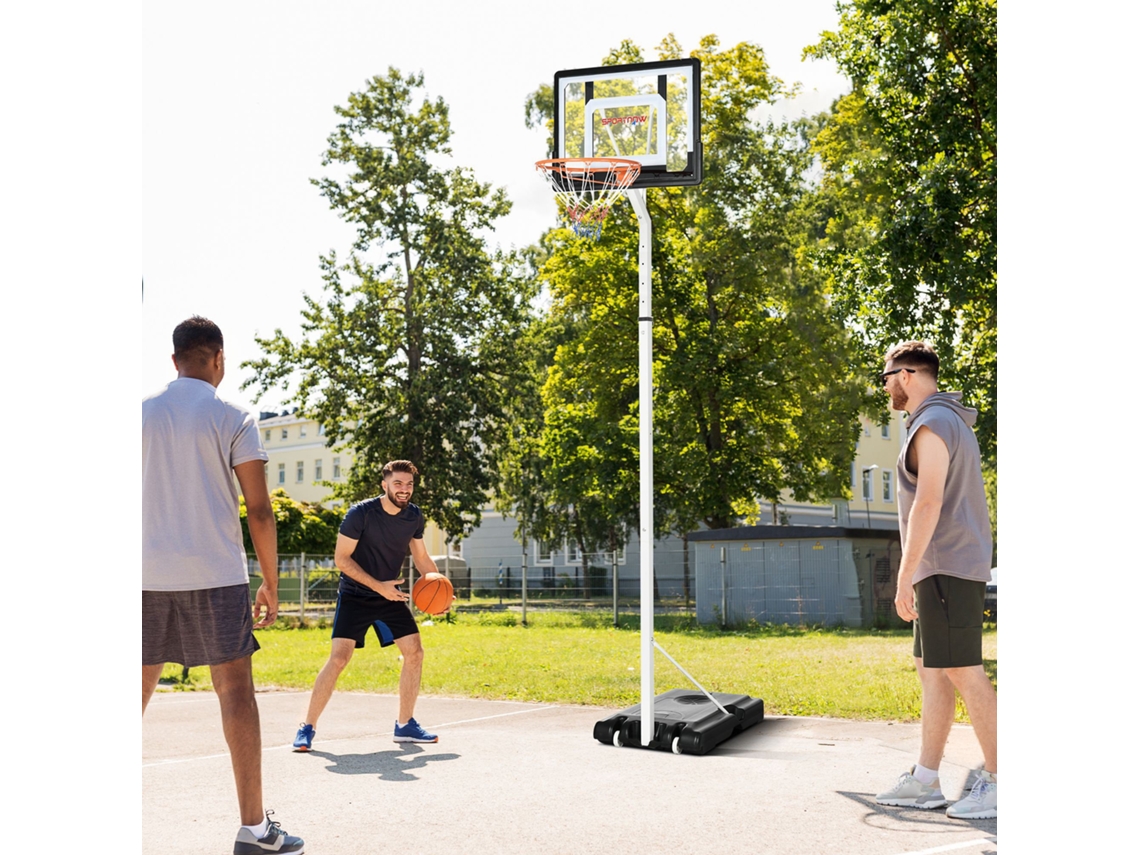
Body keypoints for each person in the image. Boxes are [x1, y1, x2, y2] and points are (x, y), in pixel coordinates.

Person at [143, 316, 304, 855]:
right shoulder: (235, 416)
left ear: (174, 360)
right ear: (217, 359)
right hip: (215, 575)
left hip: (141, 575)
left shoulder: (136, 416)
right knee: (235, 691)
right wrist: (271, 584)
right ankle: (254, 831)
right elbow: (259, 509)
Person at [874, 341, 997, 820]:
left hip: (945, 563)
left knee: (964, 671)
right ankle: (926, 779)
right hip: (941, 565)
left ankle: (1002, 780)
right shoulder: (950, 421)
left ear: (905, 374)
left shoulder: (933, 423)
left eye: (885, 378)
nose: (884, 387)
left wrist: (903, 577)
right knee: (935, 670)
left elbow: (928, 504)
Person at [293, 460, 446, 751]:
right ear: (384, 485)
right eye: (398, 483)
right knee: (339, 658)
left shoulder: (413, 516)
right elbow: (342, 559)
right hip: (355, 594)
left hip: (390, 595)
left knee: (414, 652)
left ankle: (405, 725)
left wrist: (441, 588)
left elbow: (422, 558)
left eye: (409, 484)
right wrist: (379, 587)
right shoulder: (360, 514)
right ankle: (307, 727)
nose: (404, 489)